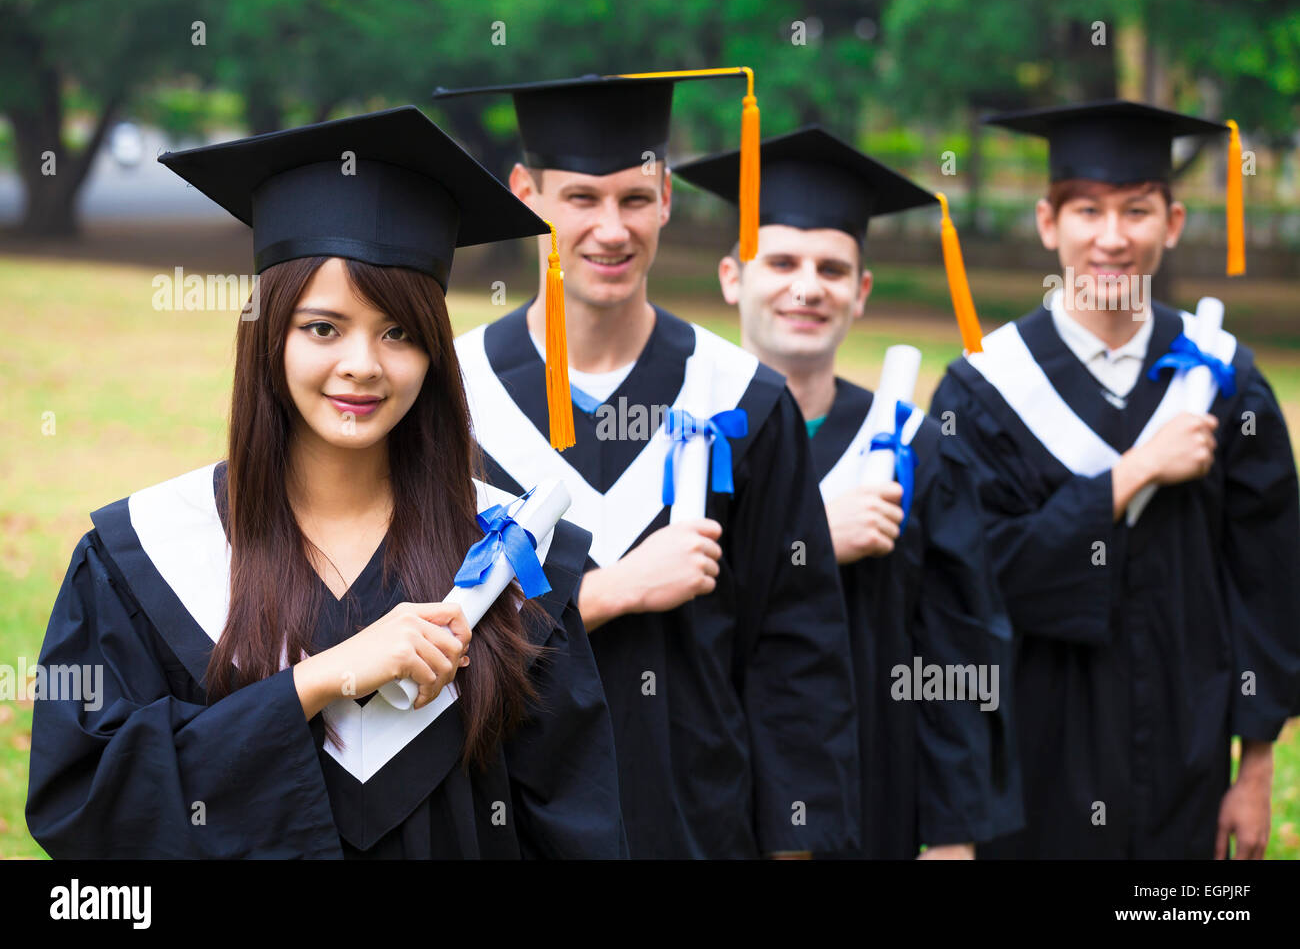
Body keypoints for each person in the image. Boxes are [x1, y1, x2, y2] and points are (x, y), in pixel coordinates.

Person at [25, 106, 627, 859]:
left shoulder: (512, 562)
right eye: (323, 328)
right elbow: (84, 808)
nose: (363, 365)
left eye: (399, 331)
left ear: (434, 354)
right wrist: (316, 684)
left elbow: (576, 828)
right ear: (267, 335)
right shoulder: (144, 556)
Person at [432, 73, 859, 858]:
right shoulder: (451, 403)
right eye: (582, 199)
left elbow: (797, 650)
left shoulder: (745, 402)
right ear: (527, 193)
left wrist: (796, 840)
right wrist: (611, 591)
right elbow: (420, 626)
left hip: (696, 821)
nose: (612, 229)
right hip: (503, 820)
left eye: (634, 198)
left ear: (666, 197)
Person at [929, 100, 1300, 858]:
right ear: (1047, 224)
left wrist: (1255, 766)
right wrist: (1129, 477)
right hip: (1032, 759)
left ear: (1172, 222)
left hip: (1184, 758)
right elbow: (978, 585)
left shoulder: (1226, 382)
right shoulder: (983, 392)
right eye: (1087, 210)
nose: (1111, 237)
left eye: (1137, 210)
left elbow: (1266, 583)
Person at [674, 125, 1022, 859]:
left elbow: (956, 653)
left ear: (861, 292)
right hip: (715, 791)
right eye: (782, 261)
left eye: (832, 268)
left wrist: (953, 837)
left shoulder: (917, 447)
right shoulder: (685, 440)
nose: (808, 286)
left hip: (877, 789)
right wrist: (809, 540)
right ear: (733, 276)